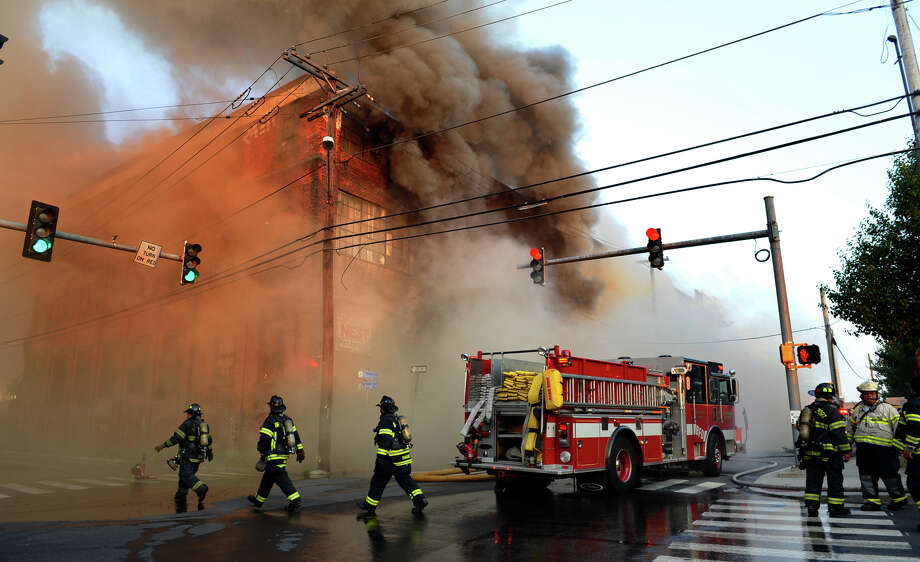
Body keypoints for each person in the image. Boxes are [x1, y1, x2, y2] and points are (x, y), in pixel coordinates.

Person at [357, 395, 427, 516]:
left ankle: (369, 506)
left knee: (378, 481)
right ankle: (420, 500)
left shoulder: (386, 420)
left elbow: (385, 441)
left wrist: (380, 458)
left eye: (381, 407)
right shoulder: (395, 419)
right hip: (403, 458)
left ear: (383, 409)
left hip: (390, 460)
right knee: (406, 481)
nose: (380, 410)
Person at [847, 380, 908, 511]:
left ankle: (898, 499)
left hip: (885, 451)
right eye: (867, 394)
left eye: (873, 393)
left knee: (890, 476)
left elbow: (900, 430)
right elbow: (850, 431)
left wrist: (897, 448)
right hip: (863, 451)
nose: (870, 396)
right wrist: (846, 449)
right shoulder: (857, 411)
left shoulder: (888, 409)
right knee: (866, 476)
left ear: (877, 394)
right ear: (861, 395)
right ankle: (871, 501)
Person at [797, 382, 851, 517]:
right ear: (831, 396)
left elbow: (800, 428)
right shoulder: (832, 410)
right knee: (835, 480)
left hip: (810, 453)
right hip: (829, 453)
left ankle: (812, 507)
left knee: (813, 481)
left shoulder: (807, 409)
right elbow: (838, 432)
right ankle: (836, 508)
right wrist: (846, 450)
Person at [247, 395, 305, 513]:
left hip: (273, 455)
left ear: (271, 407)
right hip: (283, 455)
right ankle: (259, 500)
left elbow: (265, 438)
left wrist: (262, 449)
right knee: (268, 477)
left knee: (280, 477)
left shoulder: (270, 420)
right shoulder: (288, 420)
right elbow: (296, 437)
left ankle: (295, 500)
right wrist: (300, 450)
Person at [153, 403, 213, 513]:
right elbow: (209, 440)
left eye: (188, 413)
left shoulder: (187, 424)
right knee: (183, 476)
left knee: (186, 475)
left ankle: (201, 489)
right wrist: (210, 452)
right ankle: (181, 495)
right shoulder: (204, 425)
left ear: (191, 414)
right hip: (198, 458)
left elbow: (176, 438)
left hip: (188, 456)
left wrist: (163, 446)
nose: (187, 416)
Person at [894, 375, 920, 531]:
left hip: (918, 455)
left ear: (912, 389)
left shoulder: (913, 405)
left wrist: (908, 448)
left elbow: (915, 428)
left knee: (915, 485)